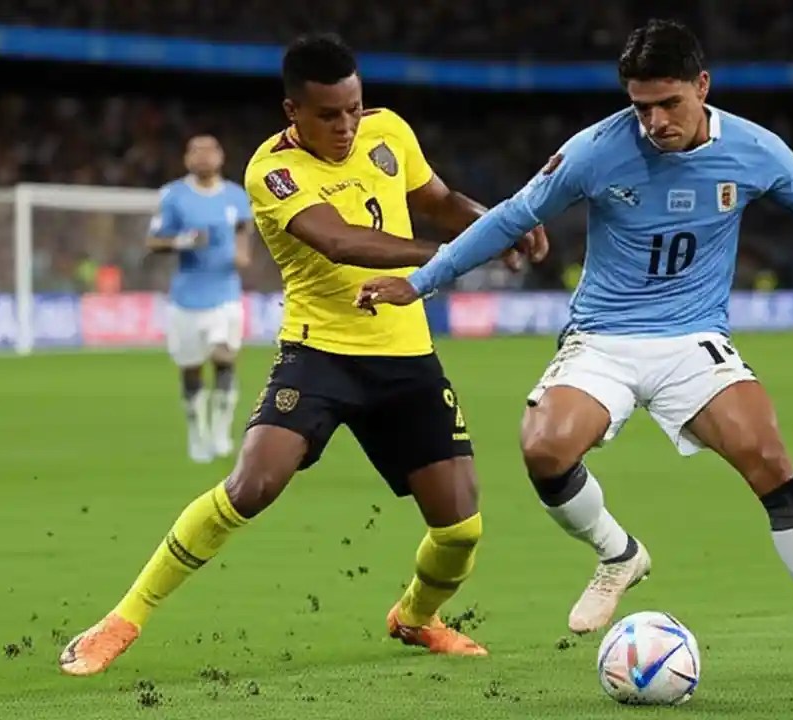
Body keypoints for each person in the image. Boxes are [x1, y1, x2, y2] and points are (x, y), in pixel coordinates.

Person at [357, 19, 793, 684]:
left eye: (668, 104)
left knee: (768, 458)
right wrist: (421, 283)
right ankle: (618, 554)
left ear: (702, 87)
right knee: (543, 448)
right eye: (639, 106)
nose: (652, 121)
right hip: (603, 338)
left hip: (693, 341)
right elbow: (512, 216)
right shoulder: (595, 151)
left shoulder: (755, 151)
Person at [59, 33, 546, 676]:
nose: (346, 126)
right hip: (320, 354)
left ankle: (416, 618)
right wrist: (452, 255)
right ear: (293, 112)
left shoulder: (389, 133)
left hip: (406, 355)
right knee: (253, 484)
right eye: (328, 115)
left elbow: (440, 202)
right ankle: (123, 619)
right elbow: (340, 242)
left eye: (354, 108)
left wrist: (497, 221)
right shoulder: (270, 171)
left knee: (460, 530)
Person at [147, 135, 254, 463]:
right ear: (186, 158)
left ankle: (222, 430)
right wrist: (183, 241)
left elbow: (243, 238)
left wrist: (241, 256)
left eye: (209, 150)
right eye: (196, 150)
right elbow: (154, 241)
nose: (203, 156)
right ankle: (198, 431)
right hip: (186, 298)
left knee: (224, 357)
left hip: (225, 295)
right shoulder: (173, 195)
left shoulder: (237, 197)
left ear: (221, 156)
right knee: (191, 370)